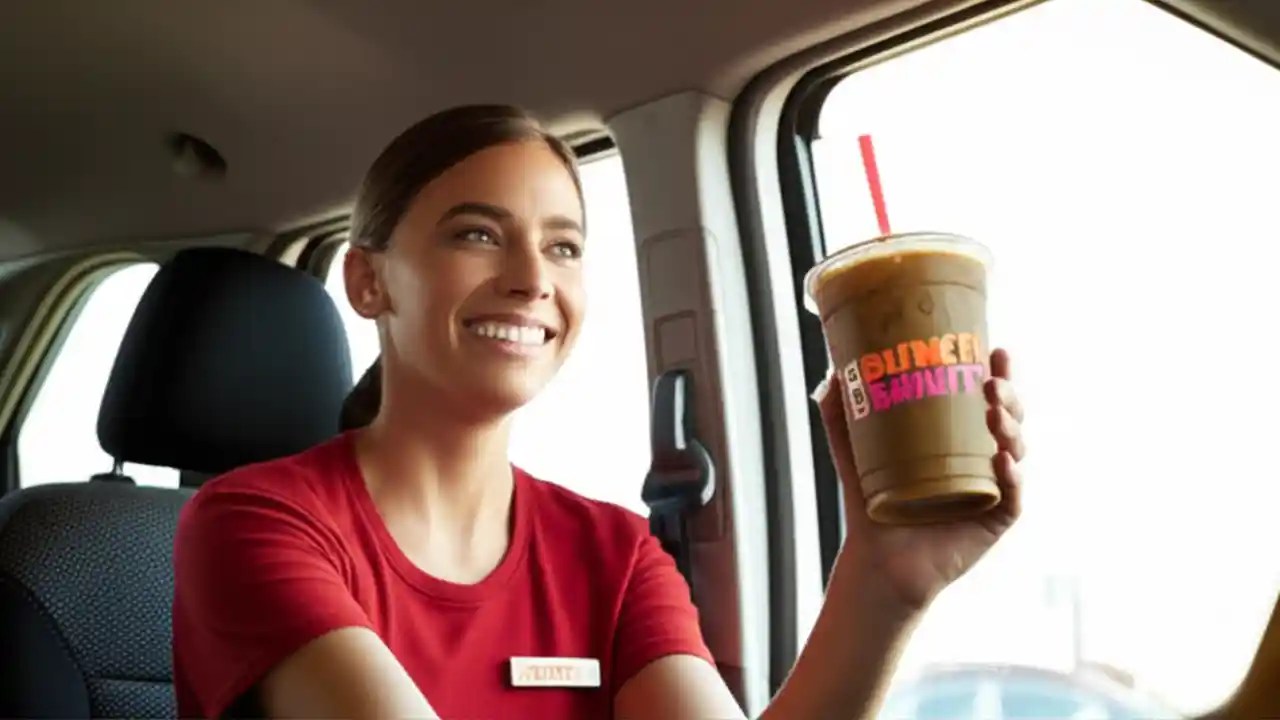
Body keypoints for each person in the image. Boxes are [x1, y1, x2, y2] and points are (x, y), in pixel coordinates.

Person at [171, 104, 1028, 719]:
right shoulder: (254, 525)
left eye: (564, 246)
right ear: (369, 280)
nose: (532, 278)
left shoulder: (614, 555)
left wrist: (885, 578)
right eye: (476, 233)